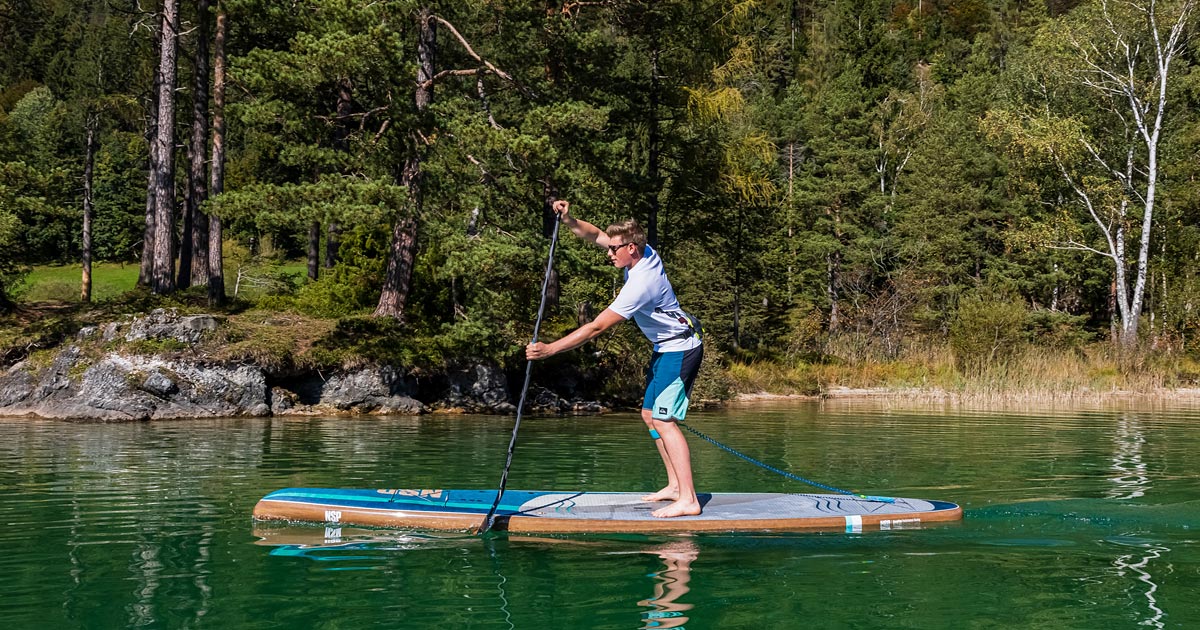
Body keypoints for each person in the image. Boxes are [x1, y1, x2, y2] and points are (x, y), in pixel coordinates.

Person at [526, 200, 704, 518]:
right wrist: (568, 220)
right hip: (666, 347)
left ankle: (689, 499)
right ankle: (676, 486)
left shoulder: (640, 284)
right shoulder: (642, 254)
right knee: (650, 415)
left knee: (665, 420)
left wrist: (551, 349)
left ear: (632, 249)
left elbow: (595, 327)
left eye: (614, 250)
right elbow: (595, 234)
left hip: (682, 348)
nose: (609, 254)